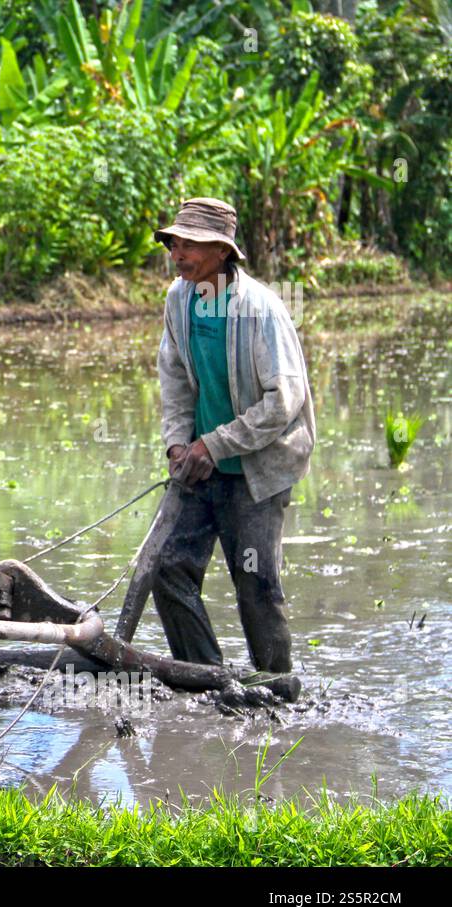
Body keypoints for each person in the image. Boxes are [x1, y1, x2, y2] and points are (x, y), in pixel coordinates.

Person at [152, 197, 315, 674]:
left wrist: (215, 444)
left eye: (191, 245)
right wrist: (179, 443)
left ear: (222, 251)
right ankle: (205, 678)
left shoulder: (260, 309)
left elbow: (283, 401)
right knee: (168, 569)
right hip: (200, 464)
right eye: (174, 243)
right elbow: (175, 377)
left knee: (256, 584)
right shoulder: (179, 299)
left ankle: (274, 689)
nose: (178, 254)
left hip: (257, 468)